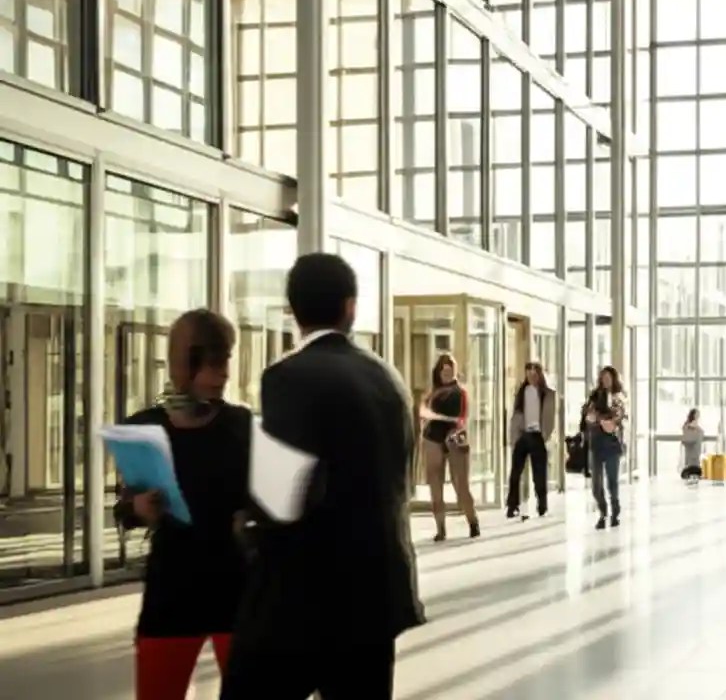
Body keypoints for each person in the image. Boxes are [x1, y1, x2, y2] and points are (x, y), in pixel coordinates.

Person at [220, 253, 424, 700]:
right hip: (377, 591)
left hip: (306, 597)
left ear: (292, 311)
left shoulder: (288, 376)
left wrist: (244, 526)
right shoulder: (389, 378)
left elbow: (281, 496)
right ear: (351, 307)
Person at [115, 310, 251, 700]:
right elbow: (123, 509)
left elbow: (269, 501)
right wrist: (138, 508)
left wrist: (252, 517)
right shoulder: (144, 428)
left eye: (227, 361)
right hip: (171, 590)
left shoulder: (240, 425)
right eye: (215, 363)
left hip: (236, 588)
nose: (224, 373)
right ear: (184, 364)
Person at [419, 353, 478, 541]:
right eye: (443, 370)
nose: (446, 373)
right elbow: (423, 413)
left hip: (455, 437)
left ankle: (473, 521)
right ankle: (441, 529)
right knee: (435, 485)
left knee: (460, 484)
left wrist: (449, 427)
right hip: (433, 438)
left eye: (450, 369)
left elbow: (462, 418)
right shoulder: (432, 393)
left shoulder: (460, 392)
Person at [506, 361, 558, 518]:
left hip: (537, 436)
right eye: (528, 374)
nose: (531, 377)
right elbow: (515, 415)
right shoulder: (521, 392)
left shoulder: (548, 394)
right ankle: (512, 505)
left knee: (539, 474)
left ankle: (542, 505)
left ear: (539, 375)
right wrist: (514, 436)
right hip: (523, 434)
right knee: (515, 473)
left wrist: (545, 436)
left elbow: (550, 417)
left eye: (534, 374)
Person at [584, 366, 627, 529]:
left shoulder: (619, 398)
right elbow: (588, 416)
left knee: (612, 481)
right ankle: (603, 511)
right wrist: (599, 420)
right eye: (603, 378)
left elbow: (614, 423)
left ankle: (615, 511)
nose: (606, 381)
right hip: (596, 443)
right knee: (596, 484)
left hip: (612, 445)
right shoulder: (595, 396)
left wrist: (600, 420)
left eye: (609, 378)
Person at [680, 409, 704, 484]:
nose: (698, 416)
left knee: (694, 466)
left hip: (695, 452)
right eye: (697, 414)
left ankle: (692, 478)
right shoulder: (689, 426)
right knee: (692, 466)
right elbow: (688, 438)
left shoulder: (695, 427)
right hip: (692, 453)